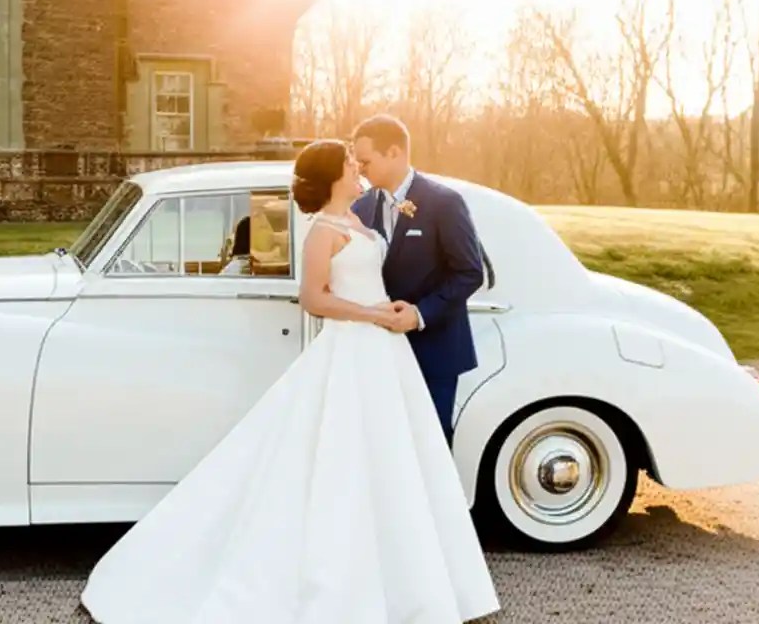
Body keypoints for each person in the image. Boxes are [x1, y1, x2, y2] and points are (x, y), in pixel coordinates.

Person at [79, 139, 500, 624]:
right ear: (332, 176)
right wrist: (370, 314)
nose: (356, 166)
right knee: (342, 462)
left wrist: (391, 314)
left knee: (392, 458)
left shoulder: (361, 217)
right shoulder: (323, 229)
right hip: (354, 345)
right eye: (349, 163)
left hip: (384, 350)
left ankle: (405, 578)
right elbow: (313, 298)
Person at [349, 113, 486, 445]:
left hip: (434, 349)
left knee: (430, 440)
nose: (360, 169)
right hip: (378, 349)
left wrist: (420, 314)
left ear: (394, 153)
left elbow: (469, 272)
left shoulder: (444, 203)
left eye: (365, 161)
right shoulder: (361, 206)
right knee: (386, 441)